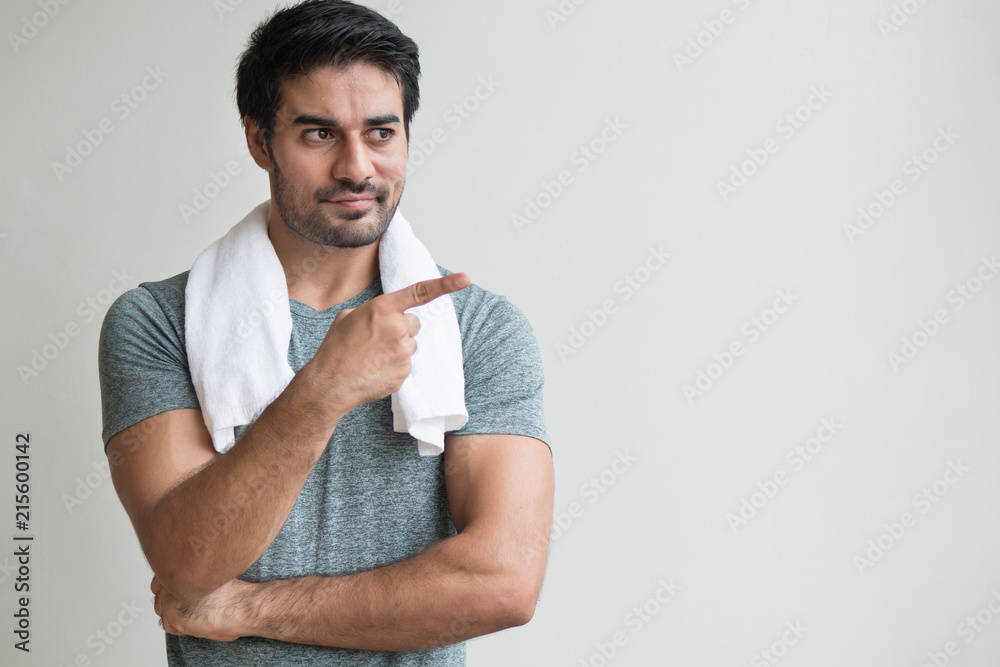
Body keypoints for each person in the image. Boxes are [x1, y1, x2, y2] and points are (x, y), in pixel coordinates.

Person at [97, 1, 554, 665]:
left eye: (380, 133)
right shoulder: (156, 322)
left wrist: (250, 608)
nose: (357, 168)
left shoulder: (481, 329)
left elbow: (501, 584)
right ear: (260, 142)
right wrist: (323, 391)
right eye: (318, 134)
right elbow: (187, 564)